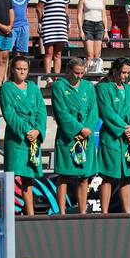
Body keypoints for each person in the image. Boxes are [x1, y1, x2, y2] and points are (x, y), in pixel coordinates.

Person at [51, 56, 99, 215]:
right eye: (76, 73)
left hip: (86, 136)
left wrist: (88, 129)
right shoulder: (59, 86)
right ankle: (62, 211)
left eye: (82, 73)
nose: (79, 76)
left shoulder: (88, 87)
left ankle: (82, 209)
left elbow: (94, 110)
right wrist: (78, 129)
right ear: (68, 71)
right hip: (68, 136)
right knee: (64, 175)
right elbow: (61, 112)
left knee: (84, 176)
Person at [0, 55, 47, 216]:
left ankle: (30, 211)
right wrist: (27, 130)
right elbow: (9, 113)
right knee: (13, 175)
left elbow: (42, 109)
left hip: (33, 138)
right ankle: (8, 209)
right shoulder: (7, 88)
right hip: (17, 138)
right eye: (19, 69)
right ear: (12, 70)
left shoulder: (33, 87)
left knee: (29, 177)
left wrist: (38, 130)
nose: (22, 72)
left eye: (25, 69)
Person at [96, 56, 130, 214]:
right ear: (115, 71)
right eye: (123, 72)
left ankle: (127, 212)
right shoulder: (103, 88)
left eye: (128, 73)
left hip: (128, 139)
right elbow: (106, 112)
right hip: (112, 137)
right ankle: (104, 212)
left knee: (127, 176)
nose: (125, 76)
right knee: (108, 176)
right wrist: (124, 128)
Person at [36, 0, 72, 76]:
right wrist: (41, 22)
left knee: (58, 54)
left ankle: (56, 76)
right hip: (49, 27)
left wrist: (68, 24)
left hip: (61, 27)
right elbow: (38, 9)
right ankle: (48, 77)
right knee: (49, 53)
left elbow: (66, 11)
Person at [76, 0, 108, 74]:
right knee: (89, 54)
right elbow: (79, 15)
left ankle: (95, 74)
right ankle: (86, 74)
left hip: (99, 26)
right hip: (87, 25)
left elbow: (104, 16)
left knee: (96, 54)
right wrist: (80, 30)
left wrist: (106, 31)